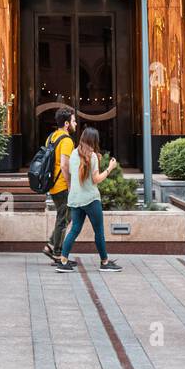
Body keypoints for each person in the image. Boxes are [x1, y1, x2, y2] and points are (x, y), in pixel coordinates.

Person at [55, 127, 122, 273]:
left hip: (75, 198)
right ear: (94, 141)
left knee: (74, 230)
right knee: (99, 232)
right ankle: (104, 262)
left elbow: (73, 172)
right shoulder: (91, 157)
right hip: (91, 199)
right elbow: (96, 179)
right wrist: (110, 168)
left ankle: (63, 261)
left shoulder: (74, 153)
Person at [42, 106, 78, 263]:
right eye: (74, 120)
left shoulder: (51, 137)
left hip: (53, 184)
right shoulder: (67, 140)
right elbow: (64, 165)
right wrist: (70, 184)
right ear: (66, 124)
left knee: (65, 216)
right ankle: (57, 253)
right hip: (62, 185)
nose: (75, 123)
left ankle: (51, 245)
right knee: (63, 219)